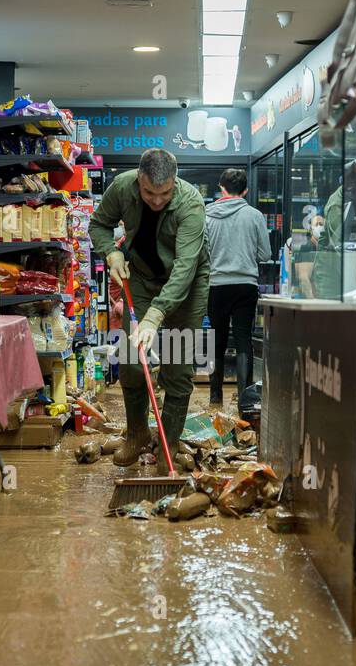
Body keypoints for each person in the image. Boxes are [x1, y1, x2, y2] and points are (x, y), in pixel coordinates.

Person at [89, 149, 209, 467]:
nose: (157, 200)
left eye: (165, 193)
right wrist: (111, 254)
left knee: (178, 368)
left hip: (187, 285)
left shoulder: (191, 203)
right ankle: (137, 434)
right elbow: (99, 225)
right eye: (149, 193)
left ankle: (166, 447)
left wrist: (155, 317)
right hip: (140, 278)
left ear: (175, 182)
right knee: (130, 359)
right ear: (139, 179)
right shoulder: (122, 186)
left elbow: (185, 268)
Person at [203, 167, 271, 413]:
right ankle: (246, 401)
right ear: (246, 190)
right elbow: (265, 254)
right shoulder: (255, 216)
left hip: (216, 286)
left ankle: (214, 397)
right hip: (245, 285)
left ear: (221, 188)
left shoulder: (206, 215)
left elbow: (201, 254)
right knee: (243, 340)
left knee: (217, 340)